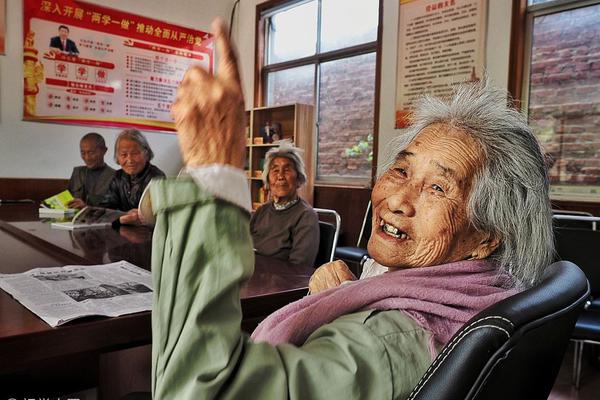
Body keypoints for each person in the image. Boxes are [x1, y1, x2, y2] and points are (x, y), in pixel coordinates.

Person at [146, 20, 553, 399]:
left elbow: (200, 388)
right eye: (400, 170)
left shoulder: (393, 339)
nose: (397, 200)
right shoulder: (469, 291)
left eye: (437, 188)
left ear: (485, 237)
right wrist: (349, 296)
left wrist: (212, 172)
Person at [250, 143, 319, 266]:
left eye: (287, 170)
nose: (280, 176)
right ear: (268, 181)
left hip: (282, 282)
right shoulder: (261, 211)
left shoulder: (306, 216)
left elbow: (300, 267)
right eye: (275, 170)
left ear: (298, 179)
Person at [101, 129, 165, 224]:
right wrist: (124, 215)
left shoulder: (156, 177)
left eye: (135, 153)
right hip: (122, 228)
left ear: (146, 153)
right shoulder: (117, 177)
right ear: (117, 157)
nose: (130, 160)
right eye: (123, 155)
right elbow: (106, 208)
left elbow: (157, 215)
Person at [67, 133, 115, 208]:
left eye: (91, 152)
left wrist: (86, 208)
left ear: (104, 151)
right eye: (83, 153)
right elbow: (68, 200)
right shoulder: (77, 173)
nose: (87, 157)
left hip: (100, 219)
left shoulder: (115, 176)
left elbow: (113, 209)